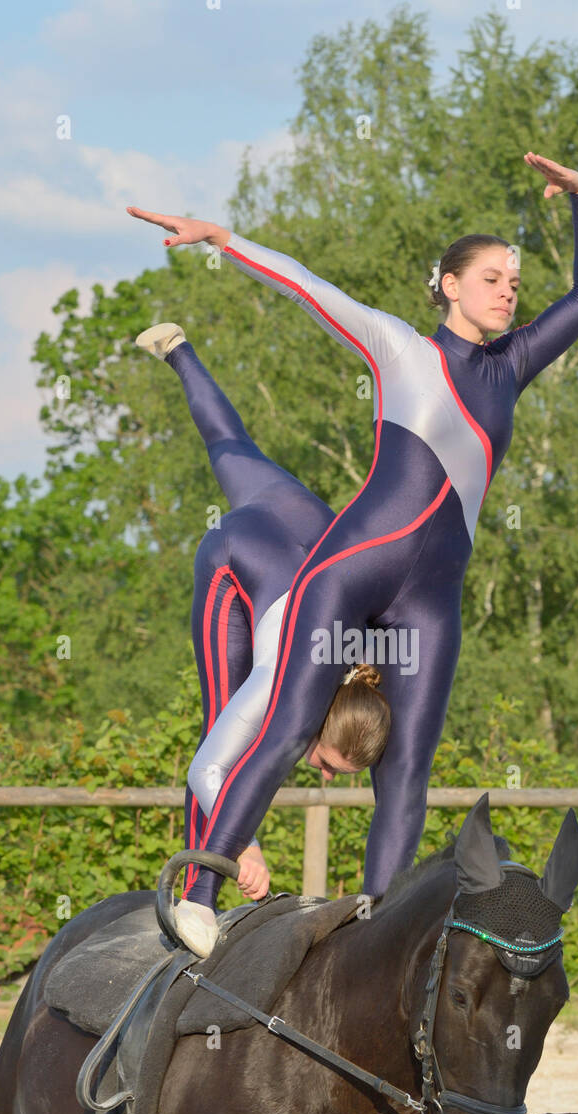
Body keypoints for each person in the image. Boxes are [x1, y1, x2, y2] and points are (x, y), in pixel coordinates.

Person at [126, 149, 578, 908]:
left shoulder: (511, 368)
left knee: (408, 773)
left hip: (430, 599)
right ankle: (199, 902)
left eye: (515, 283)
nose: (509, 293)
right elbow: (308, 287)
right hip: (351, 570)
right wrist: (222, 237)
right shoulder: (399, 347)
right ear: (450, 286)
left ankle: (374, 929)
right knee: (287, 729)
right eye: (492, 278)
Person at [134, 324, 390, 954]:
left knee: (230, 441)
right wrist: (243, 841)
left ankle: (178, 348)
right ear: (322, 725)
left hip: (304, 519)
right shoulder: (286, 686)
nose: (325, 778)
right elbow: (206, 770)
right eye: (329, 764)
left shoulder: (370, 668)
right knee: (218, 728)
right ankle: (200, 898)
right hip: (239, 551)